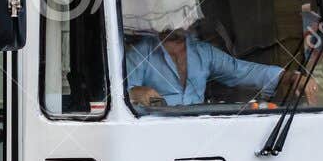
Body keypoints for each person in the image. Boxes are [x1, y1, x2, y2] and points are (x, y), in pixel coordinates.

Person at [126, 26, 313, 109]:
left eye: (184, 13)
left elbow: (240, 70)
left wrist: (287, 77)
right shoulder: (140, 53)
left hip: (200, 131)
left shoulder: (203, 52)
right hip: (155, 133)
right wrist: (135, 92)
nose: (181, 21)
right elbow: (118, 93)